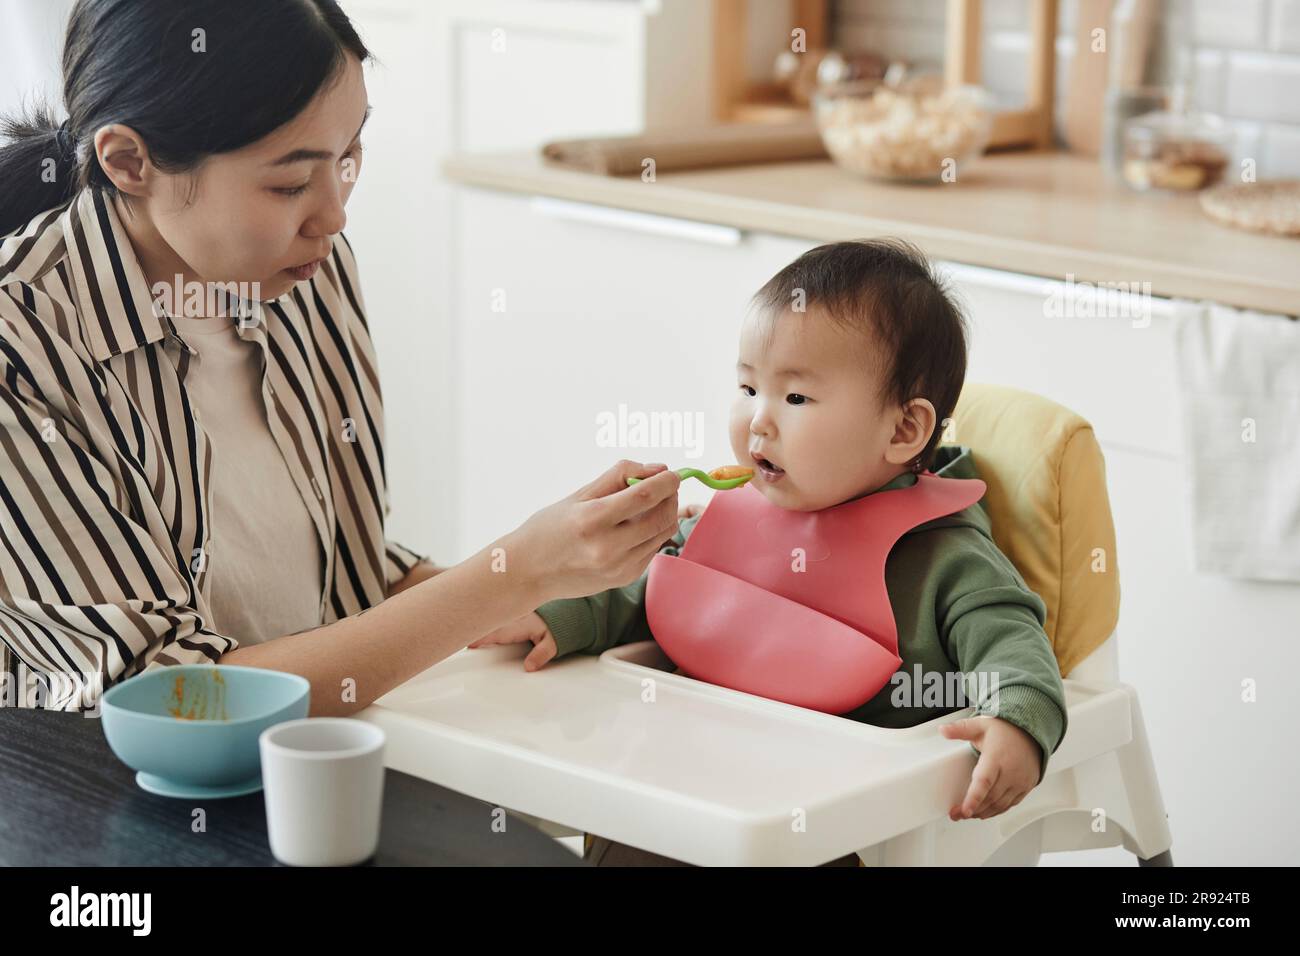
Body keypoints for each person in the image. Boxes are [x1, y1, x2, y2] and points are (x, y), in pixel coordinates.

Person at [0, 0, 679, 715]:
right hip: (108, 807)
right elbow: (168, 699)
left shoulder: (308, 274)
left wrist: (551, 582)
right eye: (290, 183)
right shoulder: (21, 344)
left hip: (317, 761)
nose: (334, 215)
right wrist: (513, 575)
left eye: (347, 158)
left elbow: (329, 575)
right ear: (129, 161)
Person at [472, 240, 1069, 864]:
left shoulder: (948, 559)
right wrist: (557, 614)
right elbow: (643, 586)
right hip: (689, 787)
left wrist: (1018, 724)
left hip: (833, 831)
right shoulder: (725, 518)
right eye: (747, 387)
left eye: (795, 398)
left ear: (903, 430)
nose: (758, 422)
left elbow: (1012, 645)